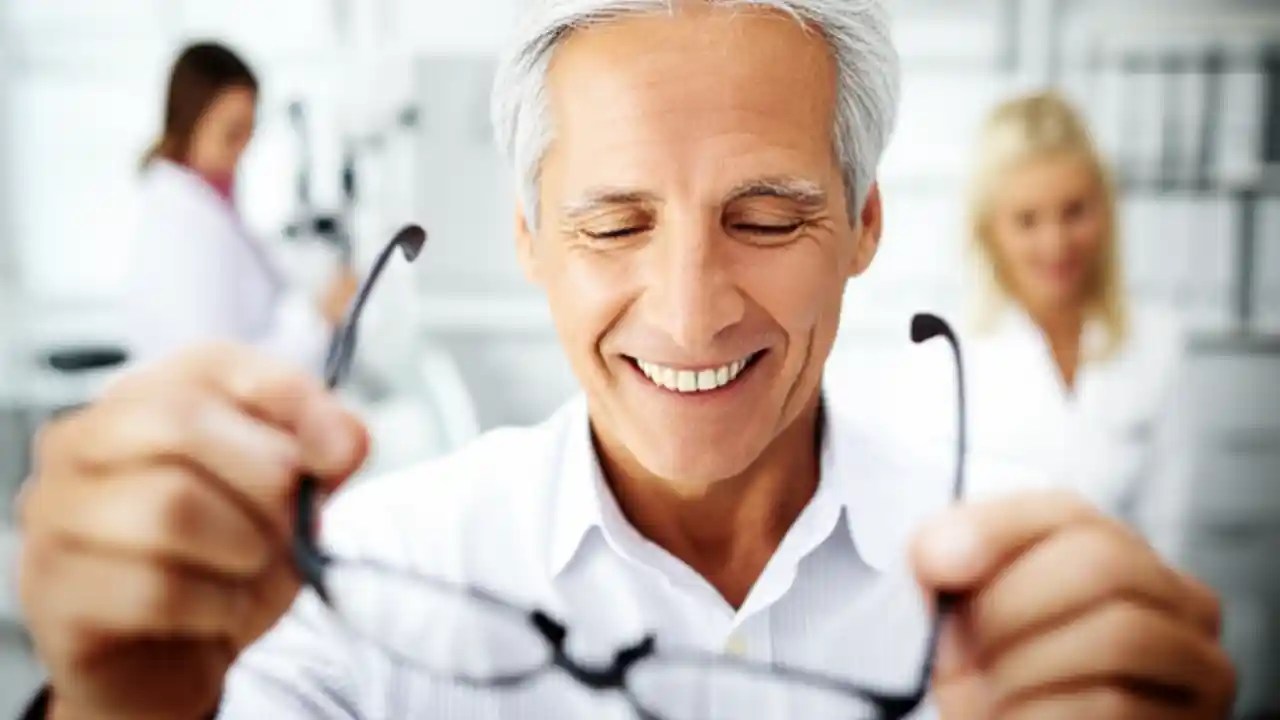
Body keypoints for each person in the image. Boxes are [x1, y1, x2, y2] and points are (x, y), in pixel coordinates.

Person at [17, 3, 1233, 719]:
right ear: (528, 237)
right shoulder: (351, 598)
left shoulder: (1025, 587)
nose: (691, 313)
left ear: (865, 227)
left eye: (764, 220)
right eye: (612, 224)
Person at [959, 92, 1193, 560]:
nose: (1056, 244)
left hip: (1127, 612)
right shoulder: (952, 352)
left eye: (1075, 212)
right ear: (990, 232)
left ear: (1105, 211)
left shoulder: (1159, 343)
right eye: (1027, 221)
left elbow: (1170, 535)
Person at [125, 42, 357, 372]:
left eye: (249, 132)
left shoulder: (206, 206)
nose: (243, 150)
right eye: (231, 134)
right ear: (188, 123)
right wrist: (317, 321)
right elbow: (221, 370)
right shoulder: (184, 228)